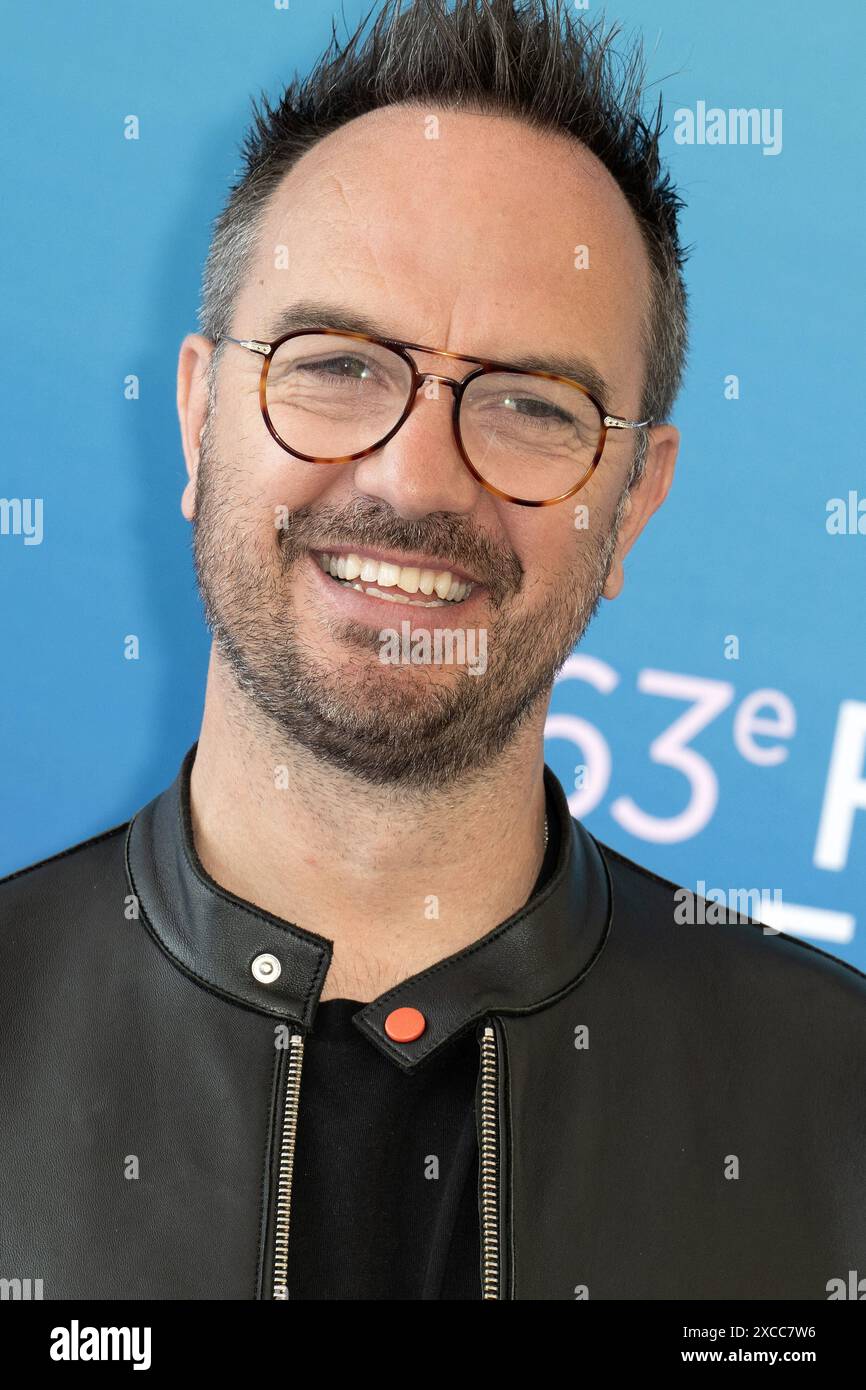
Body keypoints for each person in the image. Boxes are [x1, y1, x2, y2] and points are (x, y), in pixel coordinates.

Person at [2, 0, 863, 1301]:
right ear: (195, 420)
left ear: (630, 502)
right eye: (336, 362)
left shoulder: (834, 1109)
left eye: (527, 404)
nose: (411, 481)